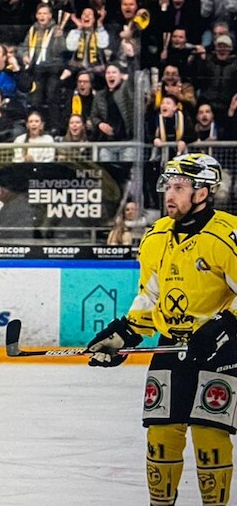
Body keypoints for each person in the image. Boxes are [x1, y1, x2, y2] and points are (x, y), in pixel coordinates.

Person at [86, 154, 237, 506]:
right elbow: (150, 296)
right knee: (160, 434)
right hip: (170, 346)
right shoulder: (156, 237)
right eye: (168, 186)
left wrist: (222, 326)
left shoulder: (227, 235)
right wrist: (123, 334)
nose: (170, 194)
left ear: (203, 192)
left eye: (180, 187)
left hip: (220, 349)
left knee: (209, 433)